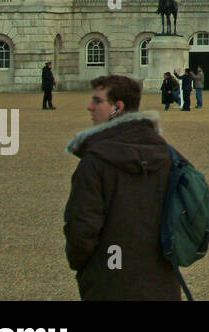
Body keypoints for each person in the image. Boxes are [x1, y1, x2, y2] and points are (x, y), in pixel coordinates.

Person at [63, 73, 181, 300]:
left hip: (109, 281)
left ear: (117, 107)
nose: (89, 107)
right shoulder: (166, 153)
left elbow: (81, 226)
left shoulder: (95, 160)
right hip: (161, 280)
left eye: (97, 101)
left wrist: (84, 266)